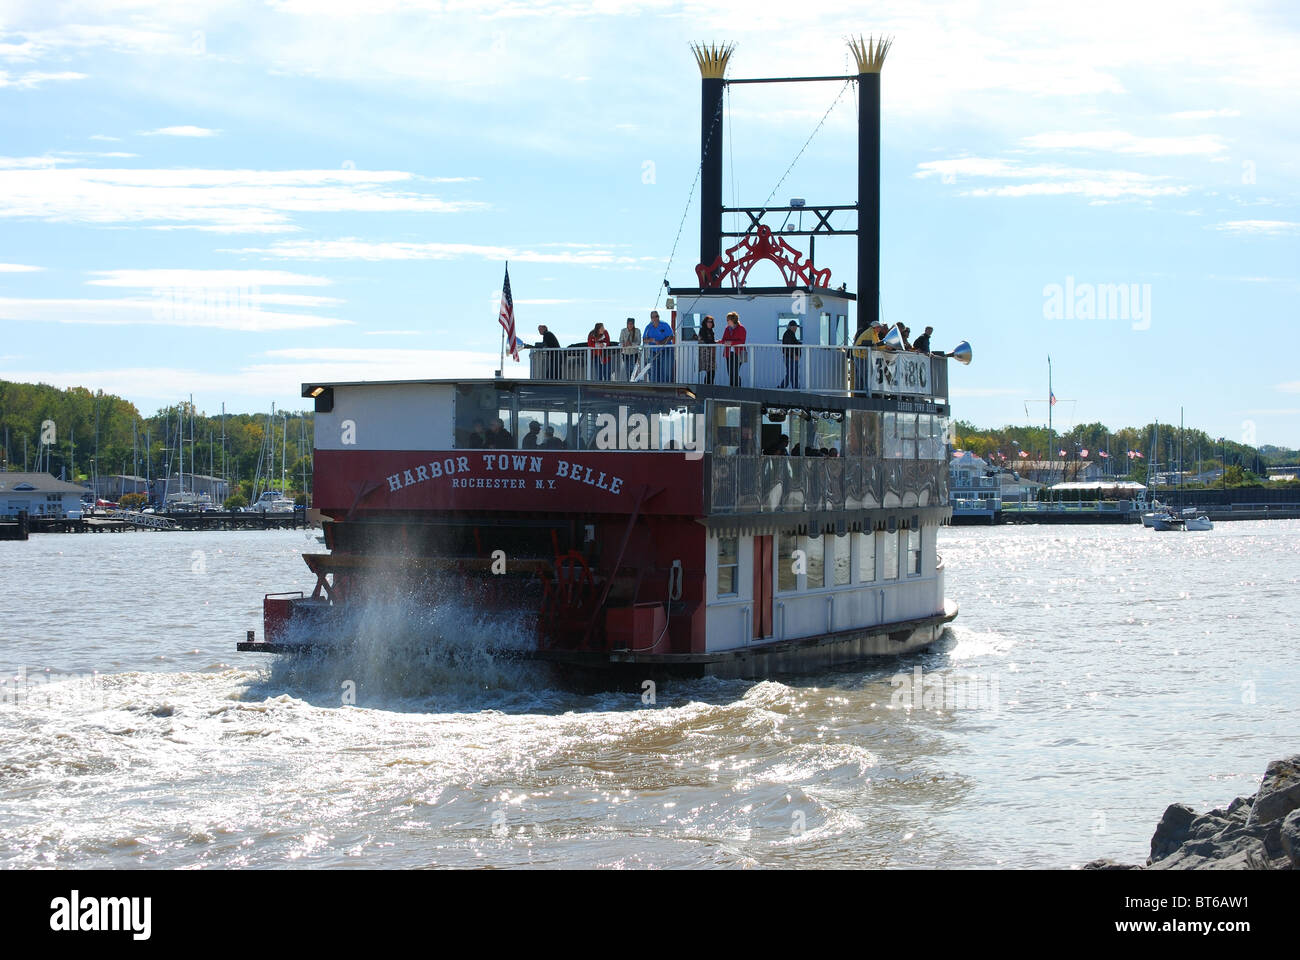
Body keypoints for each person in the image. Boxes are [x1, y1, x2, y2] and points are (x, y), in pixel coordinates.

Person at [643, 310, 674, 383]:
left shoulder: (665, 324)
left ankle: (667, 387)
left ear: (659, 317)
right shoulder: (648, 327)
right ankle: (655, 388)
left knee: (666, 371)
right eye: (653, 317)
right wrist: (651, 340)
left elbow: (671, 336)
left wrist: (661, 342)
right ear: (651, 318)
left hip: (666, 351)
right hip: (653, 351)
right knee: (654, 371)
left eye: (656, 316)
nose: (655, 318)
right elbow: (644, 339)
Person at [720, 311, 746, 387]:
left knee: (734, 372)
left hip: (739, 353)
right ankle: (732, 388)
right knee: (730, 372)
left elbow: (742, 341)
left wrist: (731, 343)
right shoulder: (727, 329)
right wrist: (720, 342)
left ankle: (737, 388)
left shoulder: (741, 328)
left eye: (728, 320)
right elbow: (724, 339)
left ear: (732, 320)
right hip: (729, 353)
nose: (727, 321)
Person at [778, 319, 801, 389]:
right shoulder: (788, 334)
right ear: (790, 327)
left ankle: (796, 389)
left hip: (792, 358)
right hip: (790, 358)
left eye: (796, 327)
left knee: (793, 374)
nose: (795, 329)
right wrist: (794, 355)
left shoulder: (790, 334)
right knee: (791, 374)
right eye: (794, 327)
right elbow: (788, 347)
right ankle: (783, 387)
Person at [697, 315, 717, 385]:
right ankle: (707, 388)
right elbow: (707, 341)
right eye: (708, 322)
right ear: (705, 322)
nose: (710, 323)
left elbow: (711, 341)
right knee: (709, 371)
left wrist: (716, 342)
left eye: (711, 322)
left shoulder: (711, 331)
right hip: (705, 354)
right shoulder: (702, 330)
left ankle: (710, 387)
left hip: (711, 354)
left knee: (712, 371)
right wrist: (716, 343)